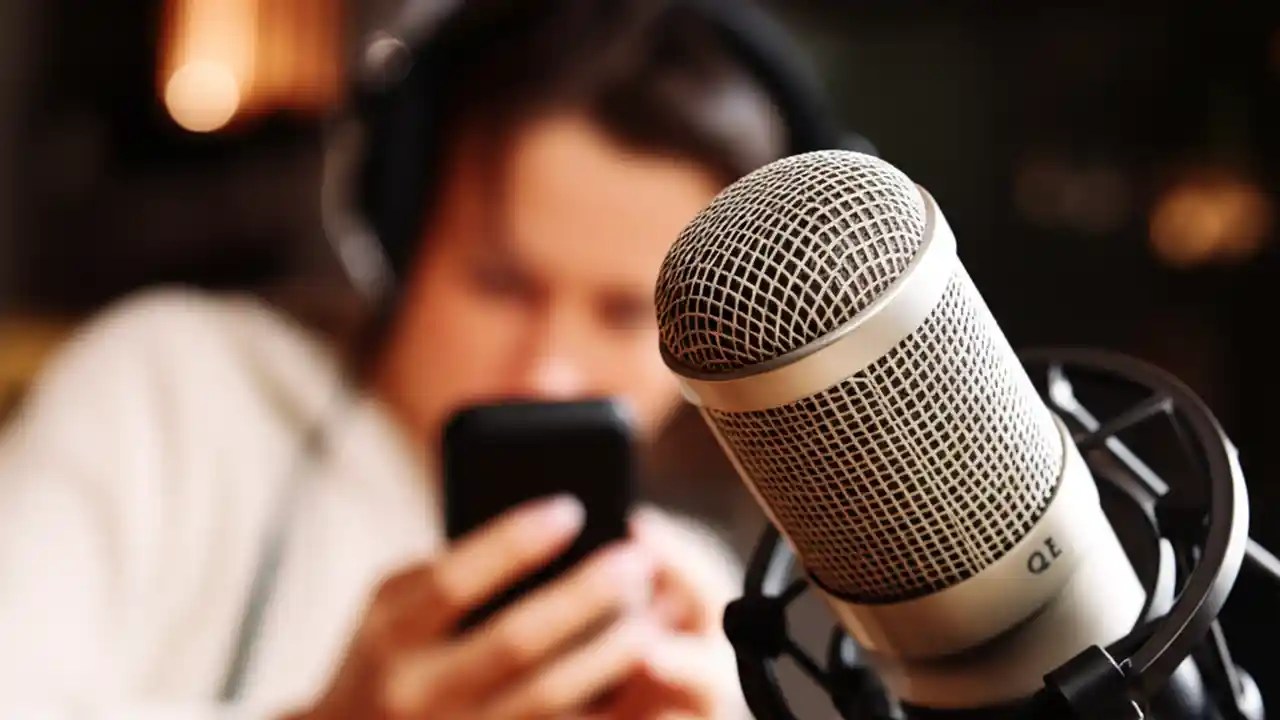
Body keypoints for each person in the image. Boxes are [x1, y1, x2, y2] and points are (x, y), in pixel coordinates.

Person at [0, 0, 795, 718]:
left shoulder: (692, 603)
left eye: (625, 314)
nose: (548, 372)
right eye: (501, 283)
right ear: (399, 236)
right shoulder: (164, 391)